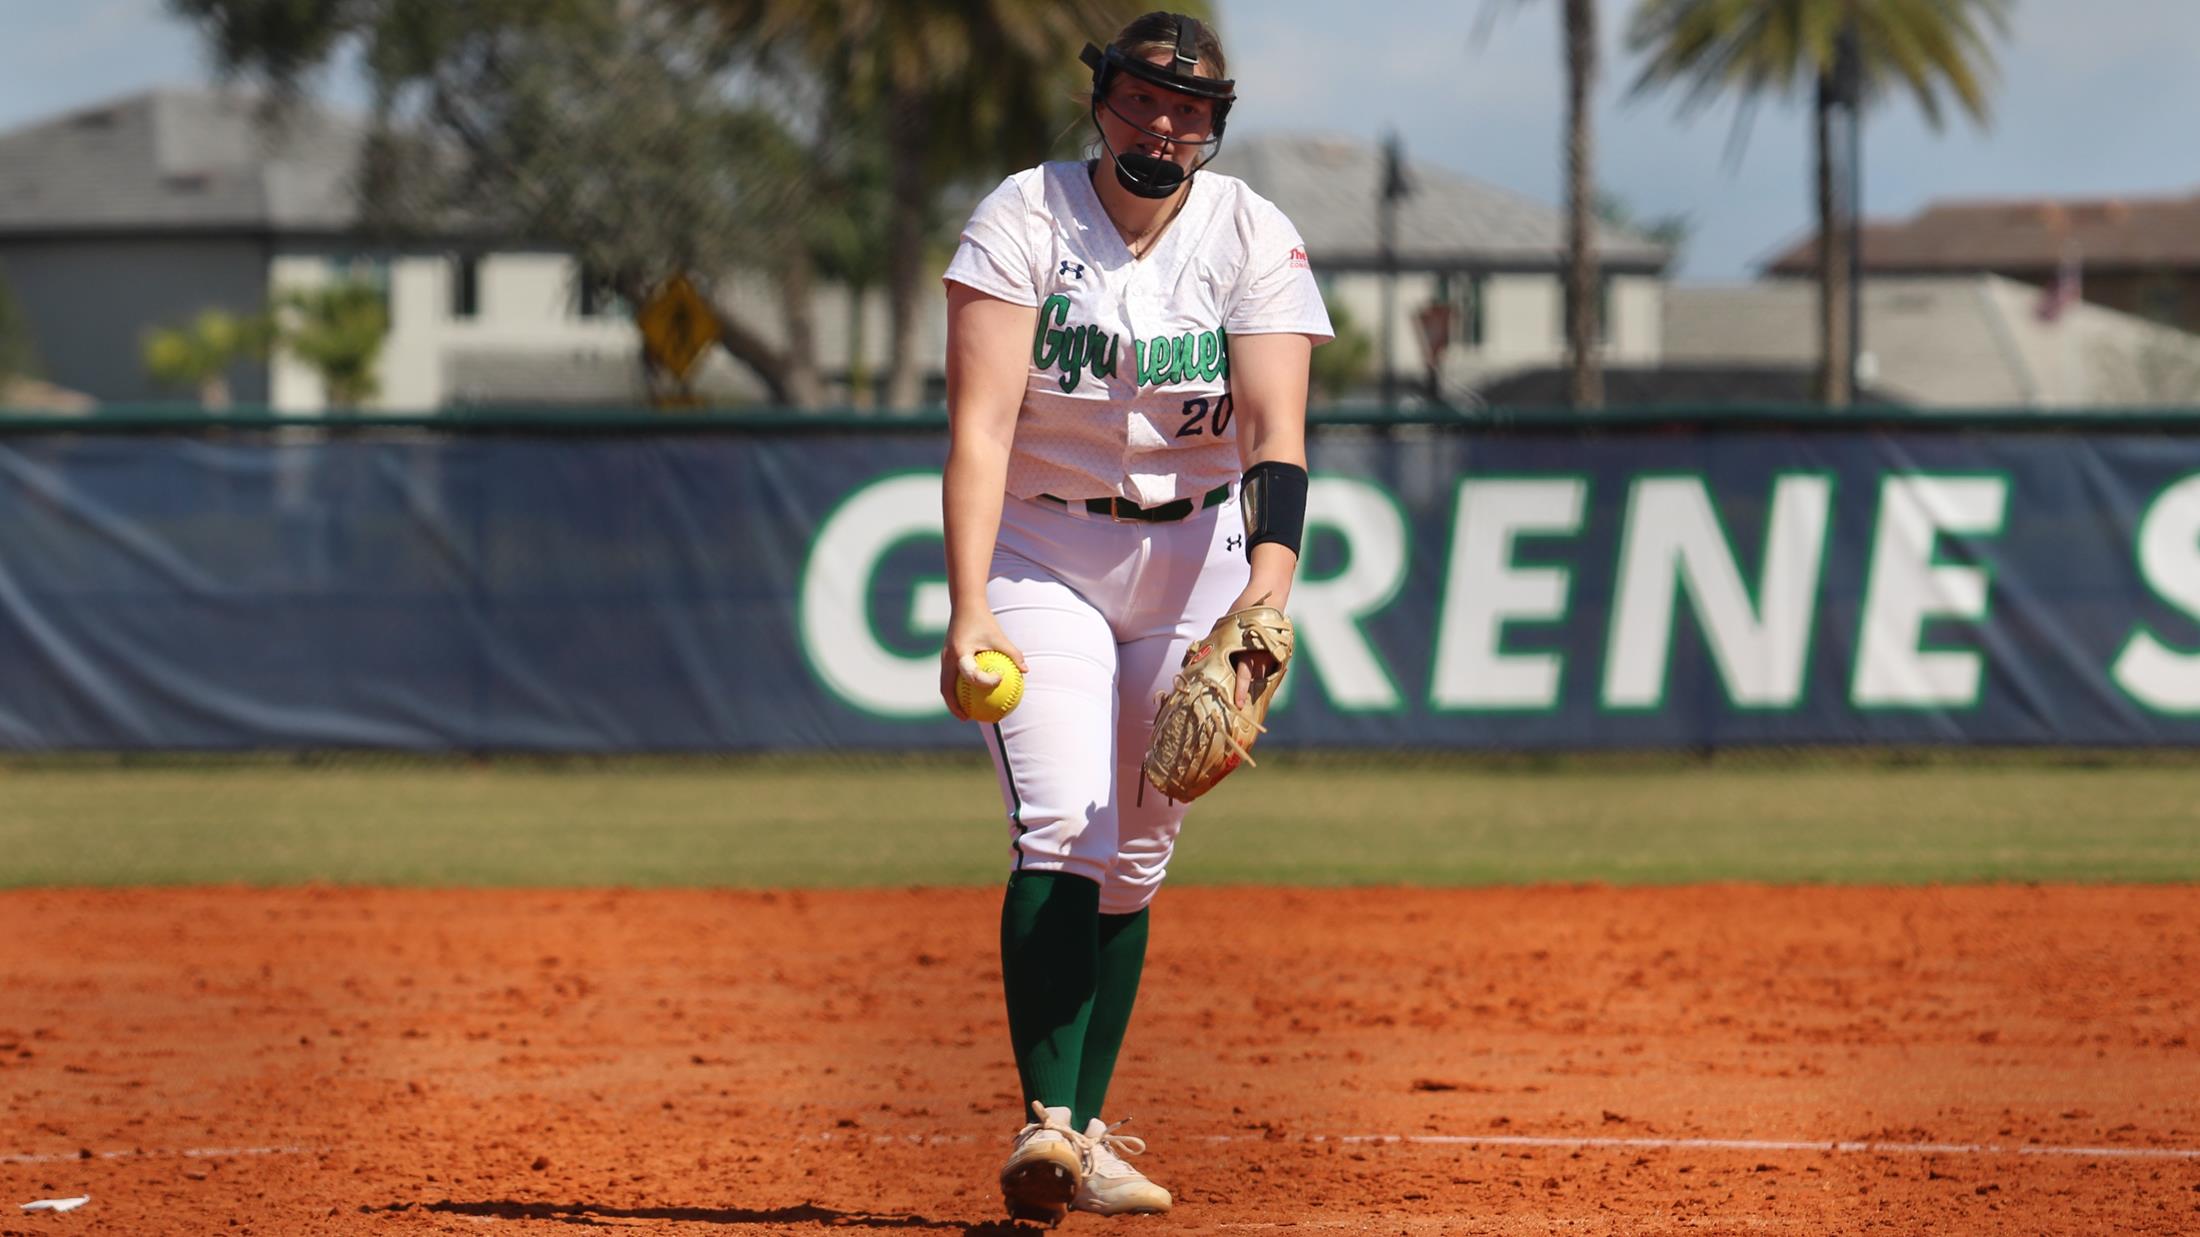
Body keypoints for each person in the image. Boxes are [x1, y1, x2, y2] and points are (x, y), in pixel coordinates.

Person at [936, 10, 1331, 1225]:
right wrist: (966, 609)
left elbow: (1276, 435)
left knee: (1141, 842)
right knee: (1063, 816)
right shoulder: (1023, 216)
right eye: (1141, 97)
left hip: (1198, 552)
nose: (1162, 123)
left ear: (1215, 124)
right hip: (1043, 545)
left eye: (1188, 107)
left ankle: (1086, 1133)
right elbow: (981, 430)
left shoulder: (1248, 230)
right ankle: (1047, 1122)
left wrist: (1267, 588)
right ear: (1100, 97)